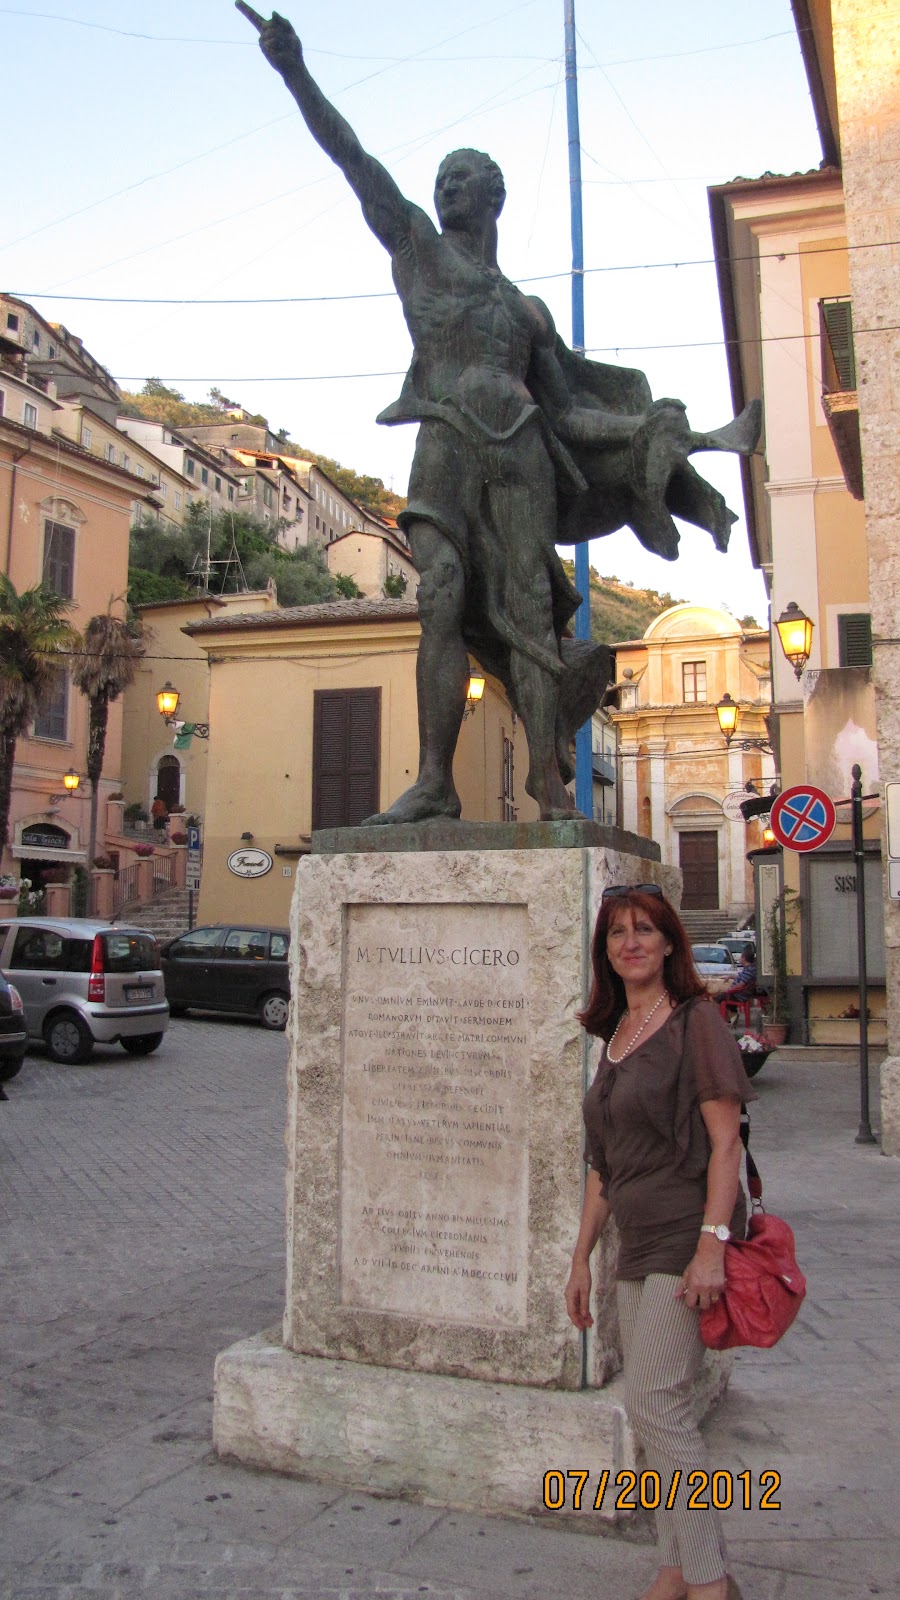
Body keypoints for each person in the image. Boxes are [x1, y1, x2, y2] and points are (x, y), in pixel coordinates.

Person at [239, 7, 760, 825]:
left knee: (528, 613)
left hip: (521, 453)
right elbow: (354, 159)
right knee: (439, 595)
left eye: (461, 178)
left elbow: (568, 417)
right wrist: (294, 70)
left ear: (493, 197)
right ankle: (435, 780)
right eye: (441, 177)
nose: (446, 187)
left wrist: (652, 437)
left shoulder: (528, 312)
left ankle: (549, 783)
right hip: (445, 441)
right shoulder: (415, 244)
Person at [565, 884, 755, 1600]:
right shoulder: (614, 1036)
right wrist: (582, 1255)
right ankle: (674, 1568)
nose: (631, 943)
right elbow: (603, 1166)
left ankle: (710, 1581)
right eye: (617, 933)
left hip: (682, 1231)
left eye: (645, 930)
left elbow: (725, 1142)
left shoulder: (693, 1021)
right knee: (653, 1407)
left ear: (671, 943)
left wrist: (712, 1244)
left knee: (656, 1404)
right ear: (604, 952)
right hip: (635, 1240)